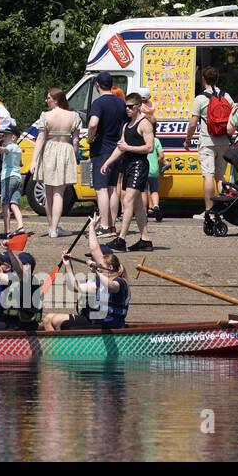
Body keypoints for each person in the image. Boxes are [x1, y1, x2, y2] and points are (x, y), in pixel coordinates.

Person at [42, 216, 129, 331]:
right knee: (48, 318)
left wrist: (97, 270)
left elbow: (110, 285)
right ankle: (56, 348)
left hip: (111, 325)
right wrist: (68, 265)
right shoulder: (97, 282)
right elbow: (75, 287)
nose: (93, 262)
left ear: (111, 267)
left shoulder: (120, 282)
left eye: (96, 261)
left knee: (61, 323)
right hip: (96, 321)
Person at [100, 92, 154, 253]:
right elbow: (120, 147)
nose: (127, 109)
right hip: (128, 166)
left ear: (138, 106)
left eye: (131, 107)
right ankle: (145, 240)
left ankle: (121, 239)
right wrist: (107, 162)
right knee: (137, 206)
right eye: (126, 107)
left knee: (128, 201)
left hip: (139, 165)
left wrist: (128, 148)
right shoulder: (126, 125)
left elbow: (149, 148)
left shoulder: (145, 124)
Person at [29, 88, 81, 238]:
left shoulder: (46, 116)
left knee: (49, 192)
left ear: (56, 99)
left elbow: (40, 139)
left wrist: (34, 160)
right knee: (59, 193)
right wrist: (74, 154)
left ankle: (52, 226)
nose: (47, 100)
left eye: (48, 98)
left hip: (49, 150)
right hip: (65, 149)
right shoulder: (73, 116)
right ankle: (54, 228)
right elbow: (76, 140)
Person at [185, 66, 233, 219]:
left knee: (207, 176)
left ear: (203, 79)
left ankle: (209, 211)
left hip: (207, 140)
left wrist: (187, 140)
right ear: (217, 79)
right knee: (220, 177)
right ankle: (225, 209)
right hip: (225, 141)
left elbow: (193, 124)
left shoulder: (200, 99)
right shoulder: (227, 97)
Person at [87, 71, 126, 236]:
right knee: (112, 189)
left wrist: (90, 137)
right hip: (117, 150)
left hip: (102, 149)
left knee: (101, 189)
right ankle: (112, 226)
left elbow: (93, 123)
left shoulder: (98, 103)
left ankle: (103, 226)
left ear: (97, 85)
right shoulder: (121, 103)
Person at [0, 122, 25, 236]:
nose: (4, 138)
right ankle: (20, 226)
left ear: (13, 137)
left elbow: (7, 150)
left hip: (8, 178)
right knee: (14, 204)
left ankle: (7, 230)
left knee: (5, 204)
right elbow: (21, 163)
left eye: (6, 136)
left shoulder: (10, 146)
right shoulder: (18, 148)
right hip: (18, 178)